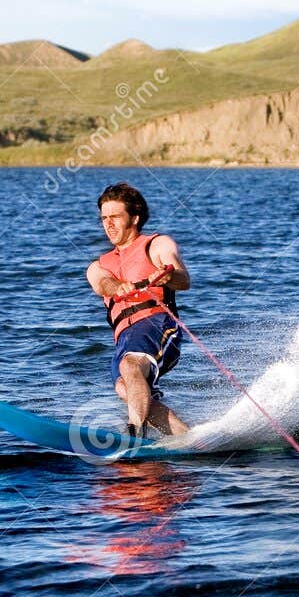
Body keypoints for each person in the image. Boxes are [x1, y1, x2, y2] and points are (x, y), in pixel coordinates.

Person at [87, 183, 191, 439]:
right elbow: (101, 282)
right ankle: (190, 439)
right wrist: (116, 286)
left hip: (156, 326)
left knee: (130, 366)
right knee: (127, 387)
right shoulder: (99, 265)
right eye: (104, 218)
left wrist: (168, 277)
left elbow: (182, 278)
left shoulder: (156, 245)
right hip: (124, 338)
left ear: (134, 218)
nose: (108, 224)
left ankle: (134, 436)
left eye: (115, 217)